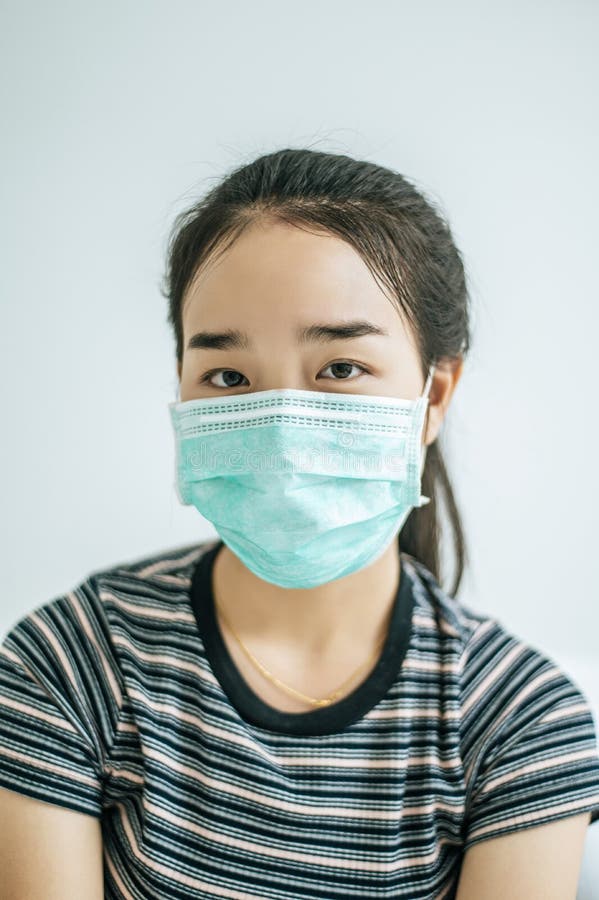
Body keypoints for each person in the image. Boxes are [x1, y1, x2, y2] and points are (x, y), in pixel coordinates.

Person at [1, 148, 598, 899]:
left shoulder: (521, 723)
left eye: (340, 367)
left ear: (434, 393)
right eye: (227, 376)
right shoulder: (67, 664)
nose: (282, 426)